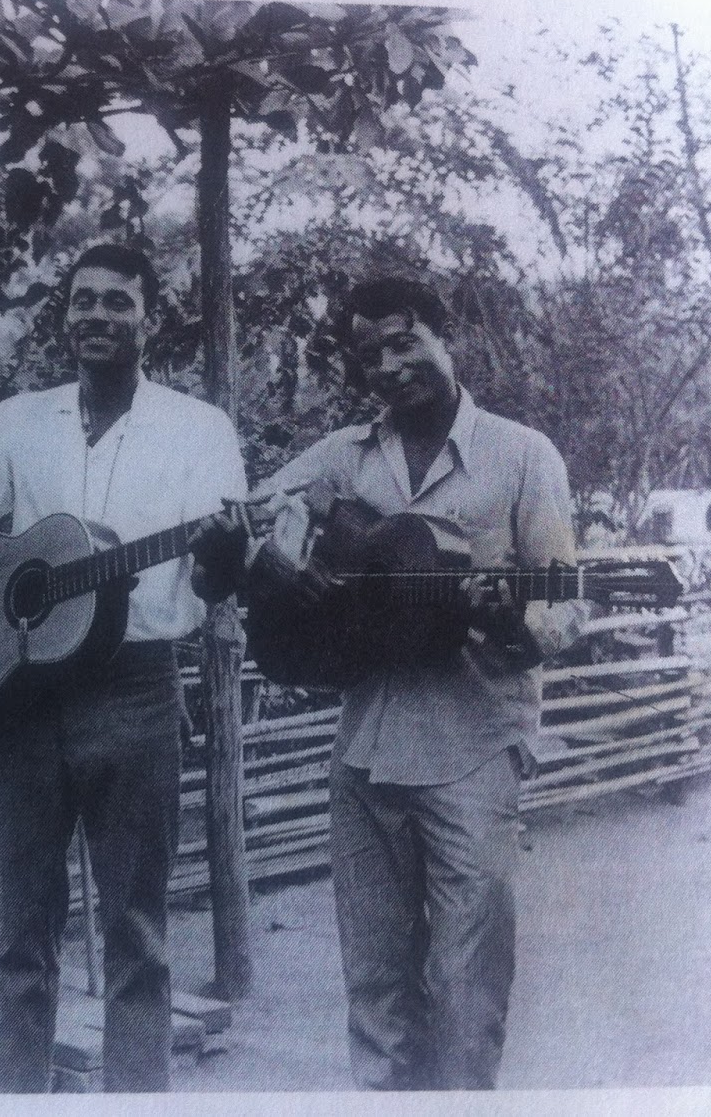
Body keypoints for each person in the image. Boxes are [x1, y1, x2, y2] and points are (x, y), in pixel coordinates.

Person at [0, 244, 249, 1092]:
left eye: (117, 302)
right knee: (21, 934)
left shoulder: (200, 431)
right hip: (26, 695)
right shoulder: (13, 422)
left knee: (138, 935)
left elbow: (215, 577)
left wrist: (228, 552)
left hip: (138, 688)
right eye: (82, 300)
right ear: (64, 313)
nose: (96, 316)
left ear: (150, 317)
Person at [251, 277, 587, 1090]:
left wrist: (510, 617)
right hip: (364, 754)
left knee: (468, 996)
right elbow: (261, 512)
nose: (391, 366)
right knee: (375, 996)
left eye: (405, 342)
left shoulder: (522, 454)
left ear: (446, 337)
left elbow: (563, 603)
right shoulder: (342, 457)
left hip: (472, 748)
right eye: (371, 354)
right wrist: (291, 562)